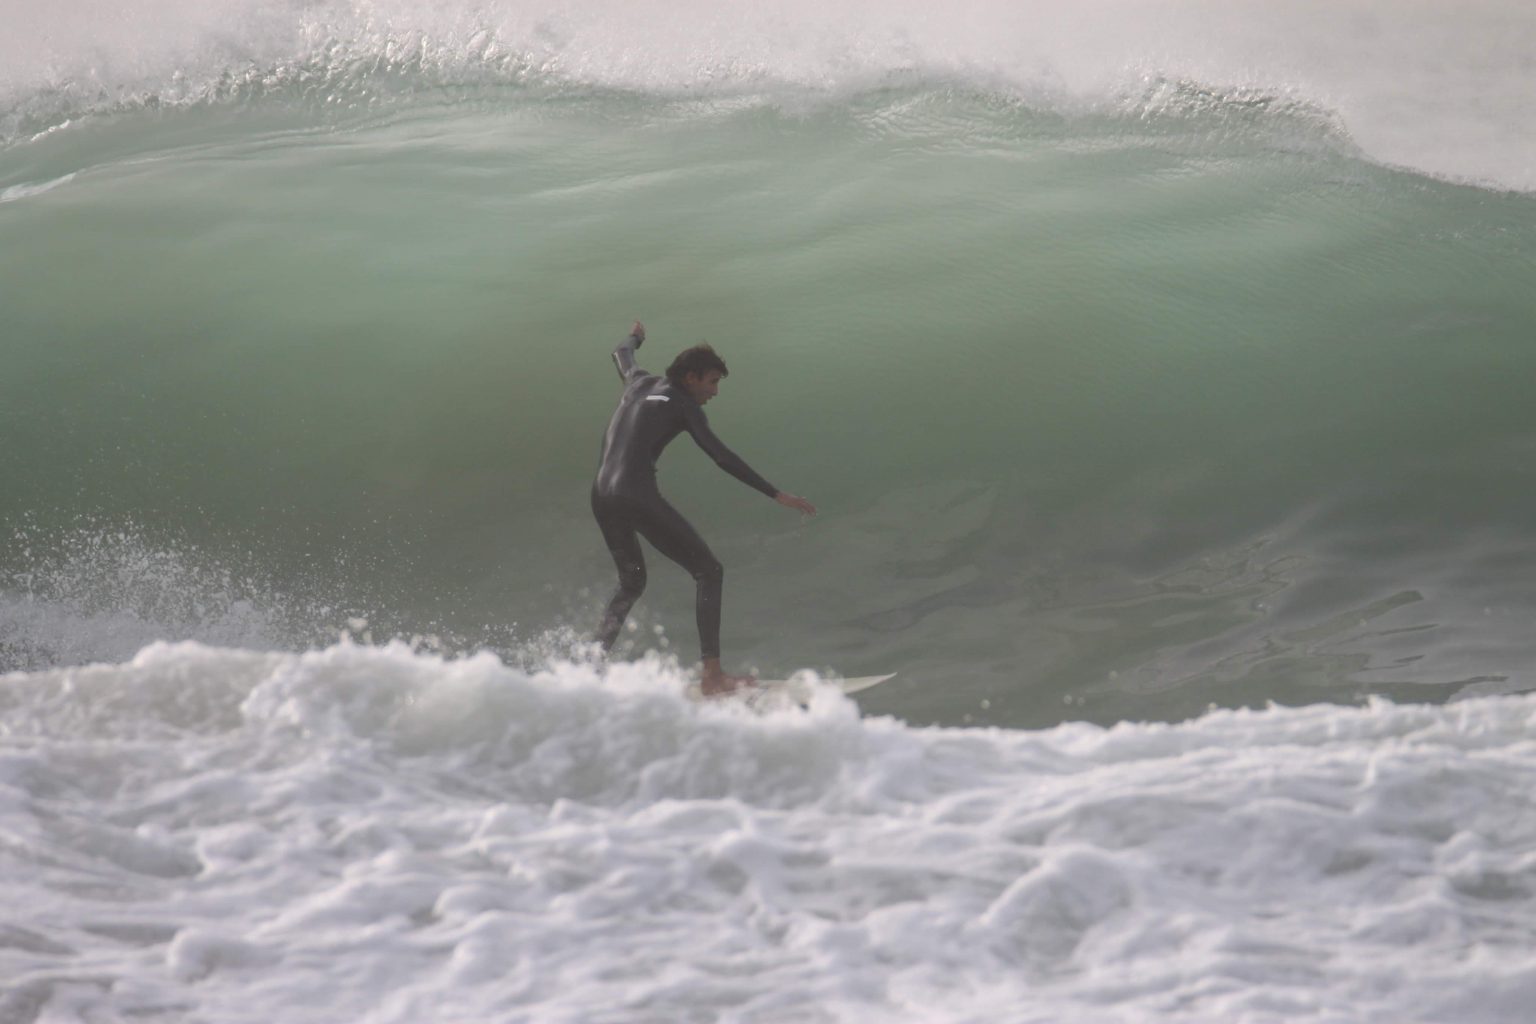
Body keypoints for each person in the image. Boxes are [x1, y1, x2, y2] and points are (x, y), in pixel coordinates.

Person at [591, 321, 816, 695]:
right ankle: (712, 675)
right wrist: (776, 494)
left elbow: (620, 352)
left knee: (631, 583)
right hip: (634, 492)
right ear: (690, 377)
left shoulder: (637, 382)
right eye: (711, 382)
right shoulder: (682, 404)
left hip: (602, 493)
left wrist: (637, 337)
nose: (713, 392)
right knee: (708, 571)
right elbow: (721, 456)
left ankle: (591, 664)